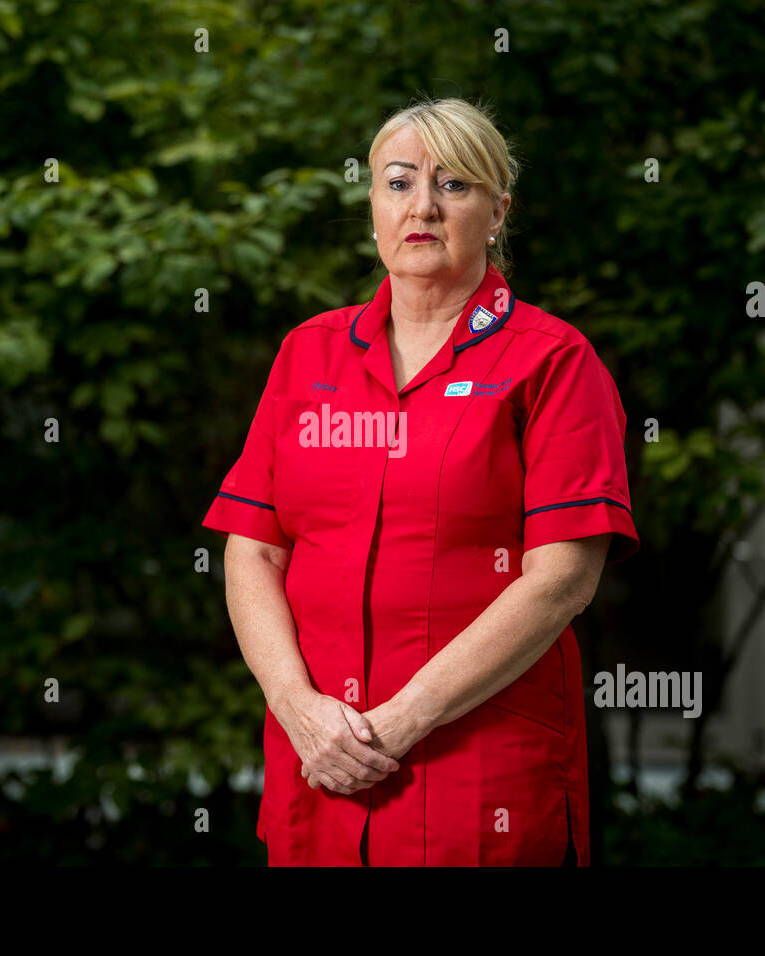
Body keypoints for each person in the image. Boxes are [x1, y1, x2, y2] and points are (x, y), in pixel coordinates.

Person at [202, 97, 639, 865]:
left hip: (480, 783)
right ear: (373, 204)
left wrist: (402, 720)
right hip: (320, 771)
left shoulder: (554, 362)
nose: (424, 207)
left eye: (456, 185)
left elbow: (562, 578)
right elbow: (252, 553)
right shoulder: (308, 355)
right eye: (399, 183)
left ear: (498, 211)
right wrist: (298, 708)